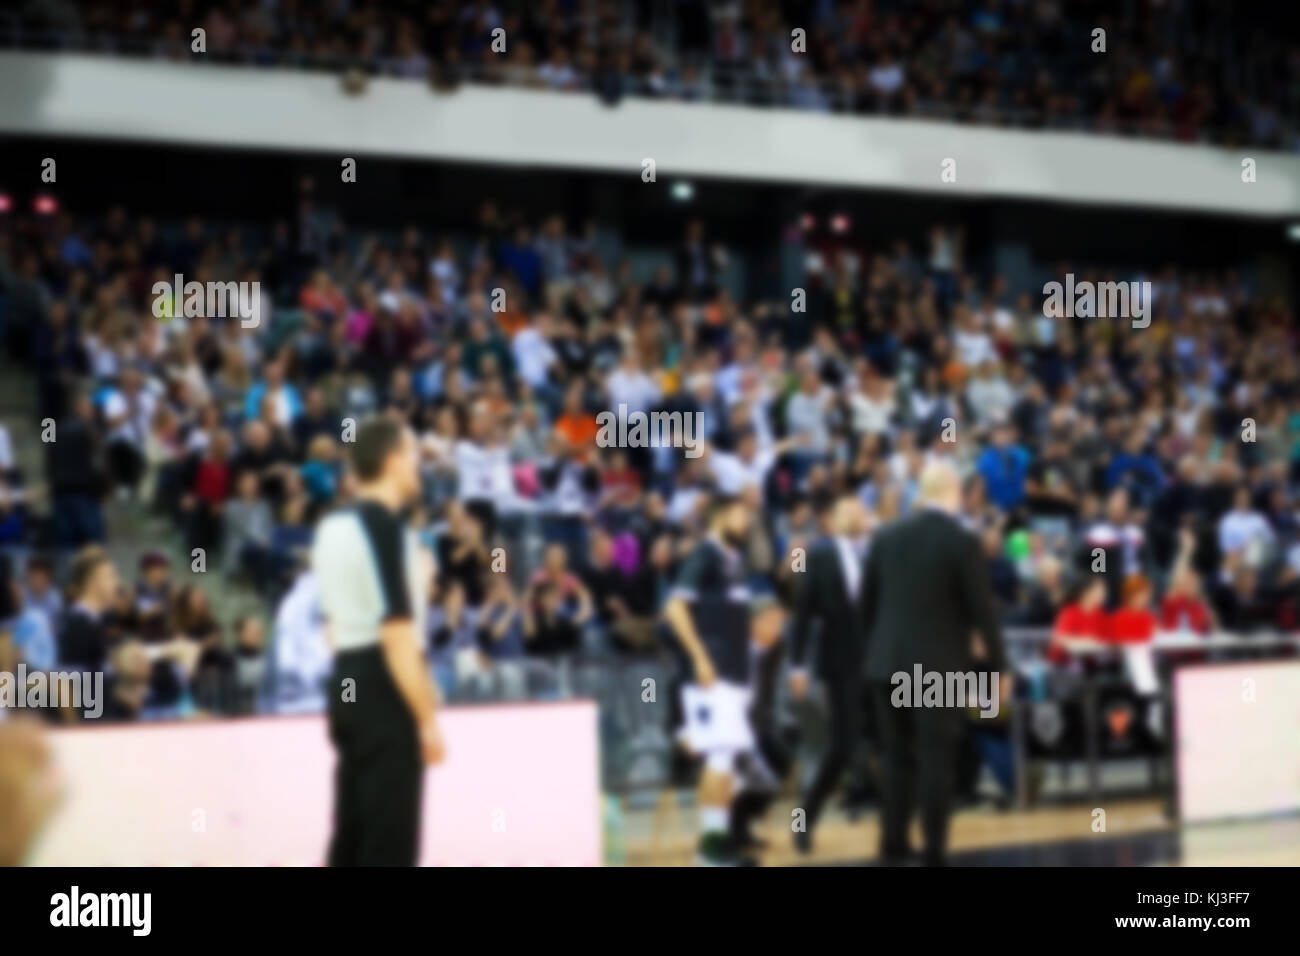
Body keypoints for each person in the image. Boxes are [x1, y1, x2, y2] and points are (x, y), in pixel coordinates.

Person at [311, 416, 444, 866]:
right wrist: (427, 719)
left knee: (351, 837)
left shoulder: (331, 526)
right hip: (383, 688)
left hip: (347, 680)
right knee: (389, 846)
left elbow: (338, 622)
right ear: (391, 461)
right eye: (412, 456)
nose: (417, 466)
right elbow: (396, 634)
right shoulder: (386, 527)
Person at [862, 460, 1006, 866]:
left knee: (895, 758)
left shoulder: (885, 537)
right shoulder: (961, 541)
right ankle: (934, 850)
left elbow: (867, 607)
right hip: (935, 668)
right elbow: (983, 612)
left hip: (886, 665)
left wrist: (873, 657)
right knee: (936, 759)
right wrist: (998, 669)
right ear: (955, 492)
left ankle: (892, 845)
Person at [663, 495, 757, 866]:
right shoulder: (704, 553)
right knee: (718, 758)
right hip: (710, 675)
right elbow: (674, 607)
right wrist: (700, 657)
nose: (747, 523)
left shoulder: (736, 561)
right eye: (740, 515)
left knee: (728, 762)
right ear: (720, 517)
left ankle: (717, 844)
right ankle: (708, 852)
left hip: (733, 676)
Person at [787, 493, 872, 853]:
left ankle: (876, 807)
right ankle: (804, 818)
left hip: (879, 659)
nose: (859, 512)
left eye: (861, 508)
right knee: (841, 745)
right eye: (850, 508)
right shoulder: (817, 554)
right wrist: (797, 664)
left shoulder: (877, 551)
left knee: (891, 736)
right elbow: (802, 612)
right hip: (840, 662)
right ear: (836, 518)